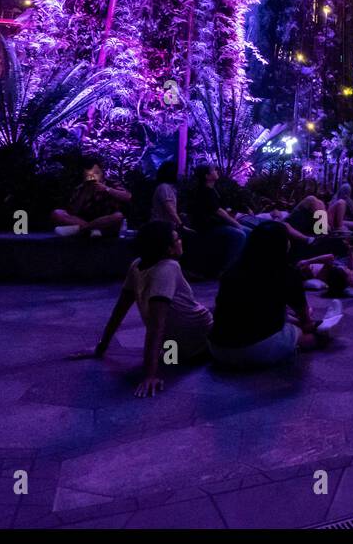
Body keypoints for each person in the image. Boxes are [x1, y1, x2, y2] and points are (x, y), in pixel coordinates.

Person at [79, 221, 213, 396]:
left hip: (175, 349)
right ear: (168, 249)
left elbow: (120, 310)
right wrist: (150, 375)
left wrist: (101, 348)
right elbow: (156, 325)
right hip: (200, 343)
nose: (181, 241)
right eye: (177, 239)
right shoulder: (169, 267)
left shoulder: (137, 265)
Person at [208, 221, 330, 369]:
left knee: (285, 320)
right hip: (251, 350)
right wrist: (306, 324)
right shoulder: (286, 273)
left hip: (218, 348)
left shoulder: (232, 271)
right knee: (308, 335)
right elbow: (306, 321)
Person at [184, 163, 246, 277]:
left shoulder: (213, 190)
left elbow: (223, 209)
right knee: (240, 235)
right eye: (213, 170)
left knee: (249, 230)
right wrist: (236, 223)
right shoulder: (204, 191)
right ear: (207, 176)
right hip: (208, 228)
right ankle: (226, 270)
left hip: (217, 224)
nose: (216, 171)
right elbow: (218, 211)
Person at [53, 157, 133, 237]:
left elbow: (127, 196)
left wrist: (107, 189)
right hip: (83, 220)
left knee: (118, 216)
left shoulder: (111, 184)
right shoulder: (81, 188)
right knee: (57, 213)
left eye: (96, 173)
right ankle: (93, 229)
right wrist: (85, 192)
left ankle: (79, 229)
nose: (93, 176)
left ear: (102, 172)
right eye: (89, 174)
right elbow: (73, 211)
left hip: (106, 219)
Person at [149, 161, 184, 228]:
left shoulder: (168, 187)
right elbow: (170, 209)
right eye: (178, 171)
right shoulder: (164, 187)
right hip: (161, 227)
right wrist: (181, 224)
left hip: (164, 226)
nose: (180, 174)